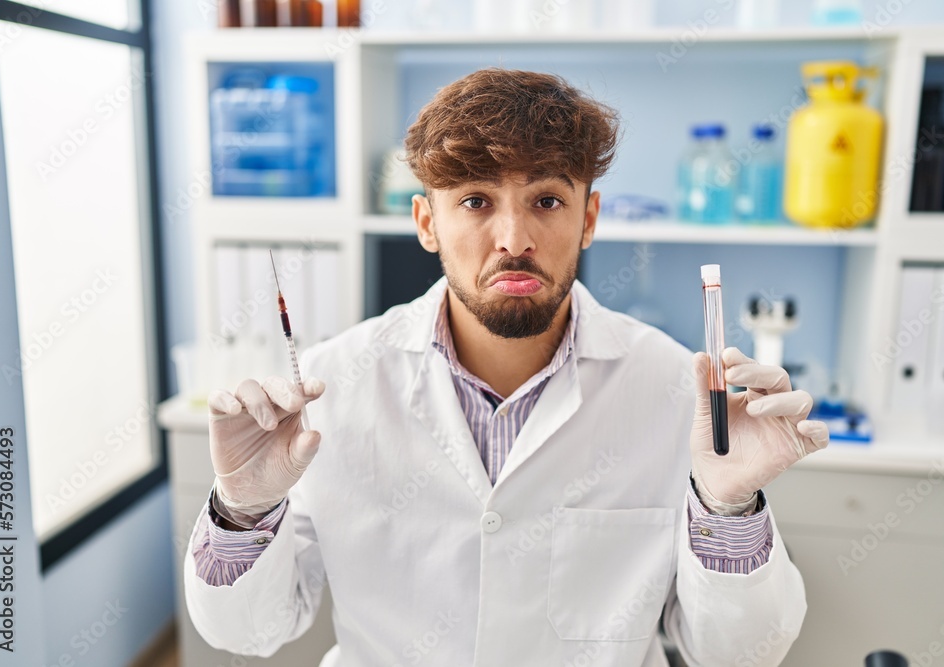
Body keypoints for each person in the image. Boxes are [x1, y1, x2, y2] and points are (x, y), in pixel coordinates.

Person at [185, 68, 829, 667]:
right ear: (426, 222)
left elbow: (742, 653)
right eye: (474, 201)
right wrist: (243, 510)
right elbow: (248, 632)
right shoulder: (333, 383)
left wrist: (728, 508)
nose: (513, 238)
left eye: (547, 201)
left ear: (589, 219)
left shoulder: (672, 388)